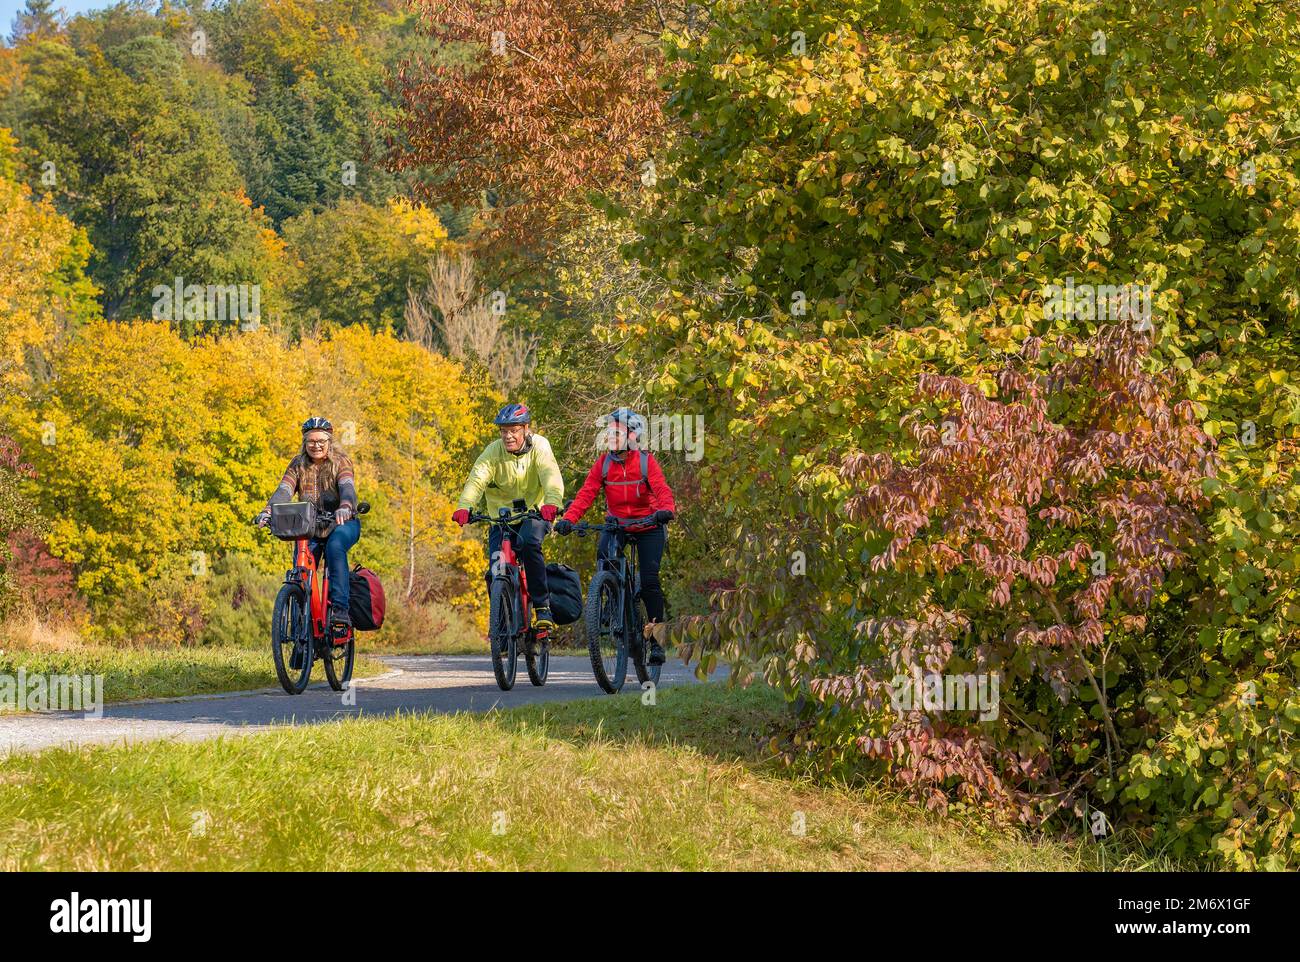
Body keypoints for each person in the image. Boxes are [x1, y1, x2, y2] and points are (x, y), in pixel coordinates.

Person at [554, 408, 675, 665]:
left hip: (648, 525)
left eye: (616, 432)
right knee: (604, 555)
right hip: (618, 524)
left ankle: (656, 642)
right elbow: (586, 494)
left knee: (651, 581)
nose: (610, 437)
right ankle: (610, 598)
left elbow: (662, 490)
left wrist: (666, 510)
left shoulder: (645, 462)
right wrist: (568, 520)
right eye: (609, 432)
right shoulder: (604, 463)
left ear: (632, 436)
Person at [452, 403, 565, 634]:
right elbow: (476, 480)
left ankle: (542, 607)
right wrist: (465, 506)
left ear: (525, 428)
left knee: (529, 543)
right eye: (504, 431)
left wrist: (552, 503)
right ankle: (502, 629)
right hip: (500, 520)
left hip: (535, 513)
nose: (508, 436)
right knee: (496, 568)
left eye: (513, 430)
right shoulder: (493, 452)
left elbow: (550, 476)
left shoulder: (540, 447)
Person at [256, 417, 360, 637]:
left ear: (330, 441)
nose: (316, 445)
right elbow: (284, 490)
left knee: (335, 547)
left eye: (321, 440)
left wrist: (345, 506)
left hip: (342, 522)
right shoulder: (297, 464)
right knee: (301, 570)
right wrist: (268, 511)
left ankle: (339, 610)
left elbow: (347, 487)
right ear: (304, 443)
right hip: (310, 527)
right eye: (311, 441)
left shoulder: (341, 462)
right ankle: (301, 637)